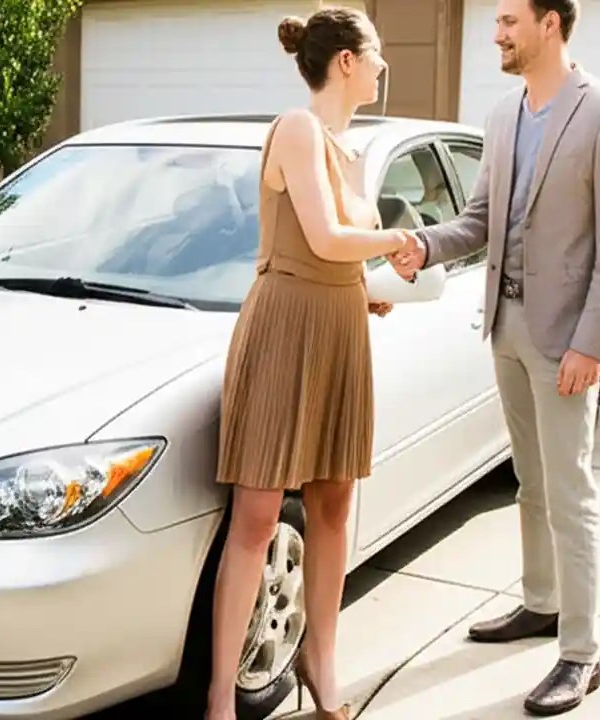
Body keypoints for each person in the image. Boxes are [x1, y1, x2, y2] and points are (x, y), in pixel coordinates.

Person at [392, 0, 600, 714]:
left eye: (508, 21)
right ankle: (540, 603)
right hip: (504, 331)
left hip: (567, 341)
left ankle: (581, 651)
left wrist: (590, 346)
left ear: (550, 24)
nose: (496, 33)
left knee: (570, 495)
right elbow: (478, 220)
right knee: (530, 485)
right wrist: (425, 246)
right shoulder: (502, 115)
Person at [207, 8, 412, 720]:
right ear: (347, 62)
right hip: (285, 328)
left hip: (340, 332)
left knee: (332, 507)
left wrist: (369, 290)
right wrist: (394, 240)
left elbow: (337, 258)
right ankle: (218, 701)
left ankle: (322, 665)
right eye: (377, 54)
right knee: (258, 516)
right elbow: (323, 238)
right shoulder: (296, 129)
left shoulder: (351, 152)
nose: (385, 67)